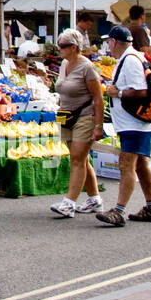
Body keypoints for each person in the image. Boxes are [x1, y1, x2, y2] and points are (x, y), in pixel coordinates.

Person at [97, 24, 151, 226]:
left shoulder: (131, 61)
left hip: (134, 123)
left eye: (109, 42)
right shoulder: (128, 59)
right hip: (134, 123)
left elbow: (141, 90)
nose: (108, 46)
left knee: (126, 163)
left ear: (115, 42)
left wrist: (119, 93)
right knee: (141, 164)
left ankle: (119, 211)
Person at [49, 29, 105, 218]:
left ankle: (69, 203)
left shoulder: (87, 67)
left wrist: (99, 125)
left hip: (85, 116)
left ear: (74, 48)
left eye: (63, 46)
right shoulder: (65, 63)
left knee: (77, 159)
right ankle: (94, 199)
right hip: (67, 116)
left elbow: (98, 97)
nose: (59, 49)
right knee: (81, 158)